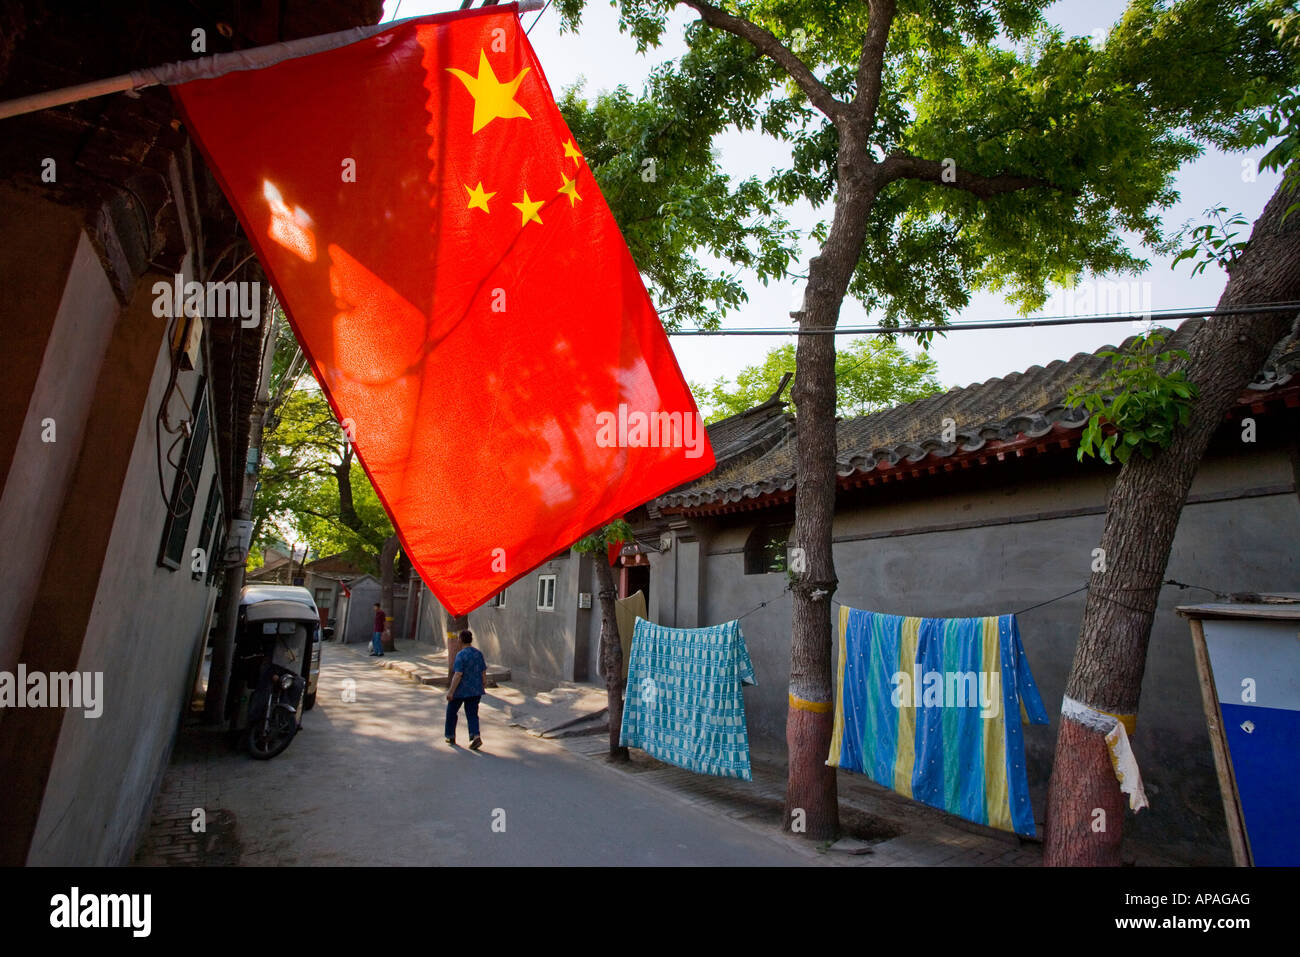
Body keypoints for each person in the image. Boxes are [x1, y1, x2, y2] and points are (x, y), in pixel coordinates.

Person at [445, 629, 486, 749]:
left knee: (451, 712)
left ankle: (450, 735)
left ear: (461, 640)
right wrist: (483, 682)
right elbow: (483, 670)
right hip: (475, 689)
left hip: (461, 690)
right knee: (472, 714)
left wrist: (451, 691)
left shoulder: (461, 655)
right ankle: (476, 736)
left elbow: (458, 674)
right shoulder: (478, 653)